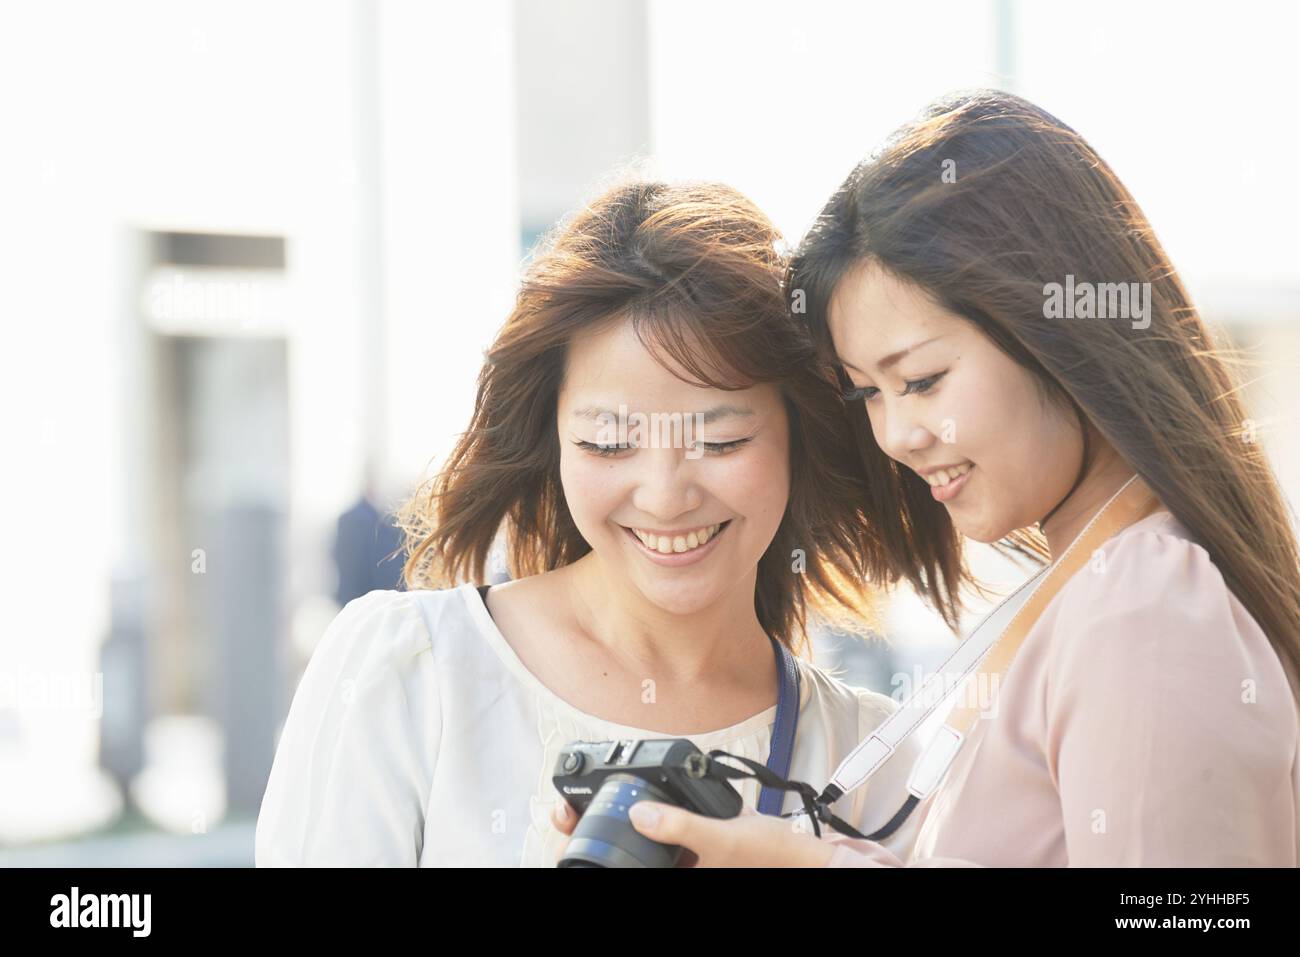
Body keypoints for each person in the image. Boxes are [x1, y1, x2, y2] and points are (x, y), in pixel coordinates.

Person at [555, 90, 1300, 866]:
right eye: (867, 393)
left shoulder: (1145, 607)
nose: (898, 436)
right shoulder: (1093, 590)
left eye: (922, 379)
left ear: (1055, 330)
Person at [255, 178, 930, 866]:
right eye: (609, 444)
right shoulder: (409, 675)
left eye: (720, 442)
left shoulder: (878, 763)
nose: (665, 496)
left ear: (800, 433)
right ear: (552, 438)